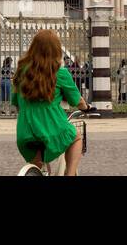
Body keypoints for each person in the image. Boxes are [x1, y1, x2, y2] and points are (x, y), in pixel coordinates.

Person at [12, 29, 89, 176]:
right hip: (51, 126)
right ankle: (69, 174)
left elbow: (16, 102)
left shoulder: (21, 71)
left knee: (39, 164)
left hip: (25, 131)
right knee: (76, 137)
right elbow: (76, 100)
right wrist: (86, 107)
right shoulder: (60, 73)